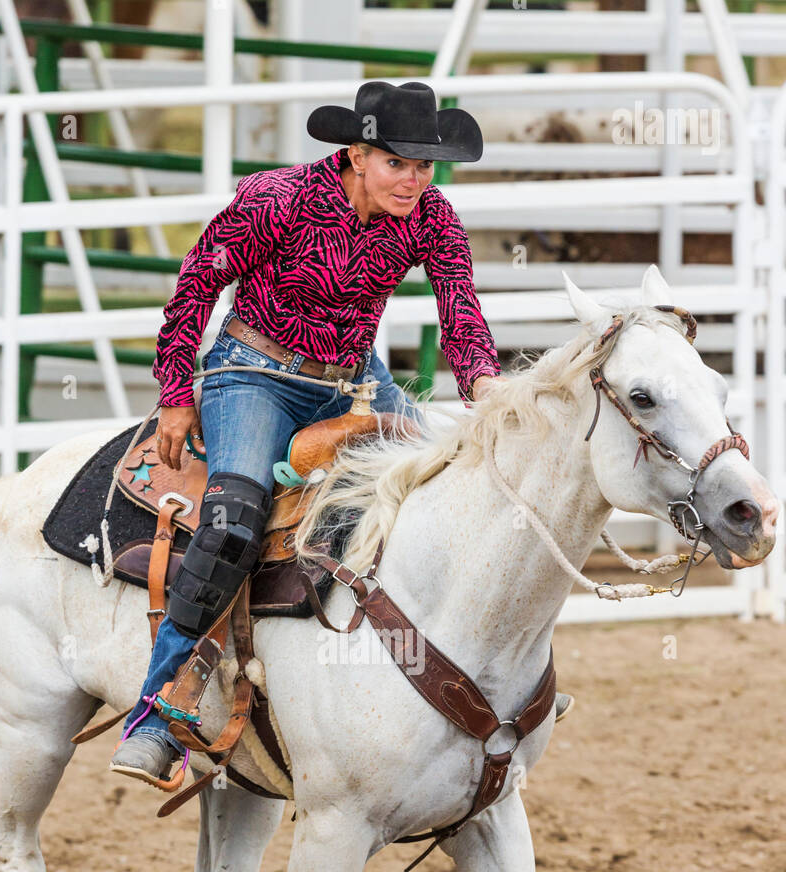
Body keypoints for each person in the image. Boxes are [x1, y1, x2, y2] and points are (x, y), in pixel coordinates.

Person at [112, 80, 506, 785]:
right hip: (254, 371)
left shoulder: (431, 217)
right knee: (232, 520)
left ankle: (491, 679)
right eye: (397, 164)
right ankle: (159, 708)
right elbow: (197, 282)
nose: (413, 181)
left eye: (424, 167)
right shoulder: (279, 200)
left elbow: (461, 312)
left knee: (442, 492)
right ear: (357, 154)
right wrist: (176, 394)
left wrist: (483, 384)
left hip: (352, 379)